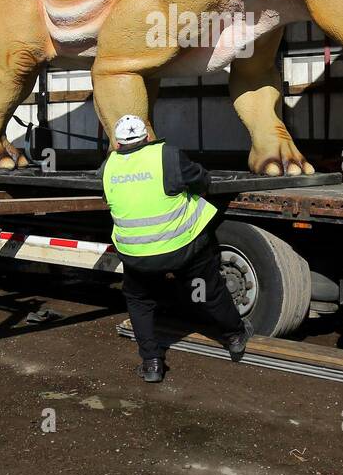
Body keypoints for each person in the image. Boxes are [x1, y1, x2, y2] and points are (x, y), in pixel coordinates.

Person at [99, 115, 252, 383]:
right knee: (209, 290)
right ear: (148, 136)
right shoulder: (166, 156)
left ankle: (151, 363)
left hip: (137, 255)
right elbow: (200, 181)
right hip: (183, 246)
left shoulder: (107, 167)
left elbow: (110, 200)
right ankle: (235, 336)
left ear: (118, 144)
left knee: (139, 301)